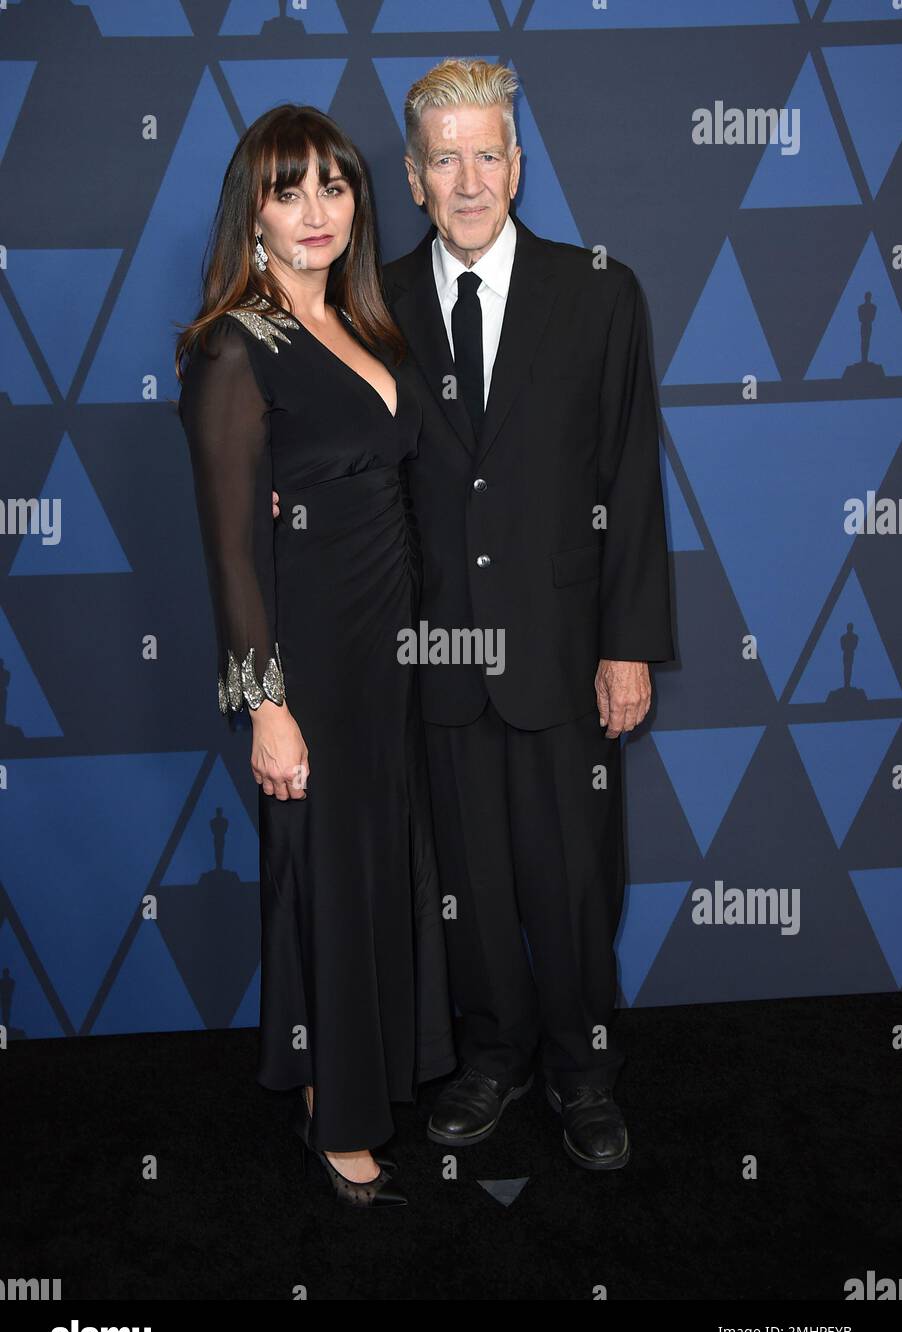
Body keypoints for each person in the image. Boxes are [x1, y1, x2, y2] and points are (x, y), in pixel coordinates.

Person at [275, 59, 675, 1172]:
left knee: (573, 878)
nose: (466, 178)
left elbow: (630, 477)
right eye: (441, 157)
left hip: (559, 653)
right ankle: (491, 1056)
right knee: (469, 883)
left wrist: (626, 641)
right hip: (430, 658)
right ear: (408, 176)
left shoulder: (600, 291)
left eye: (485, 153)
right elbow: (332, 451)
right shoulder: (371, 305)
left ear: (517, 164)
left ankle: (583, 1070)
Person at [175, 104, 456, 1208]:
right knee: (324, 882)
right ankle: (333, 1117)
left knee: (379, 872)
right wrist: (265, 705)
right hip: (311, 665)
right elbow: (231, 549)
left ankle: (352, 1069)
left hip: (393, 654)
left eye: (332, 187)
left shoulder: (363, 325)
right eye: (287, 190)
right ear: (251, 209)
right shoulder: (231, 347)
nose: (314, 211)